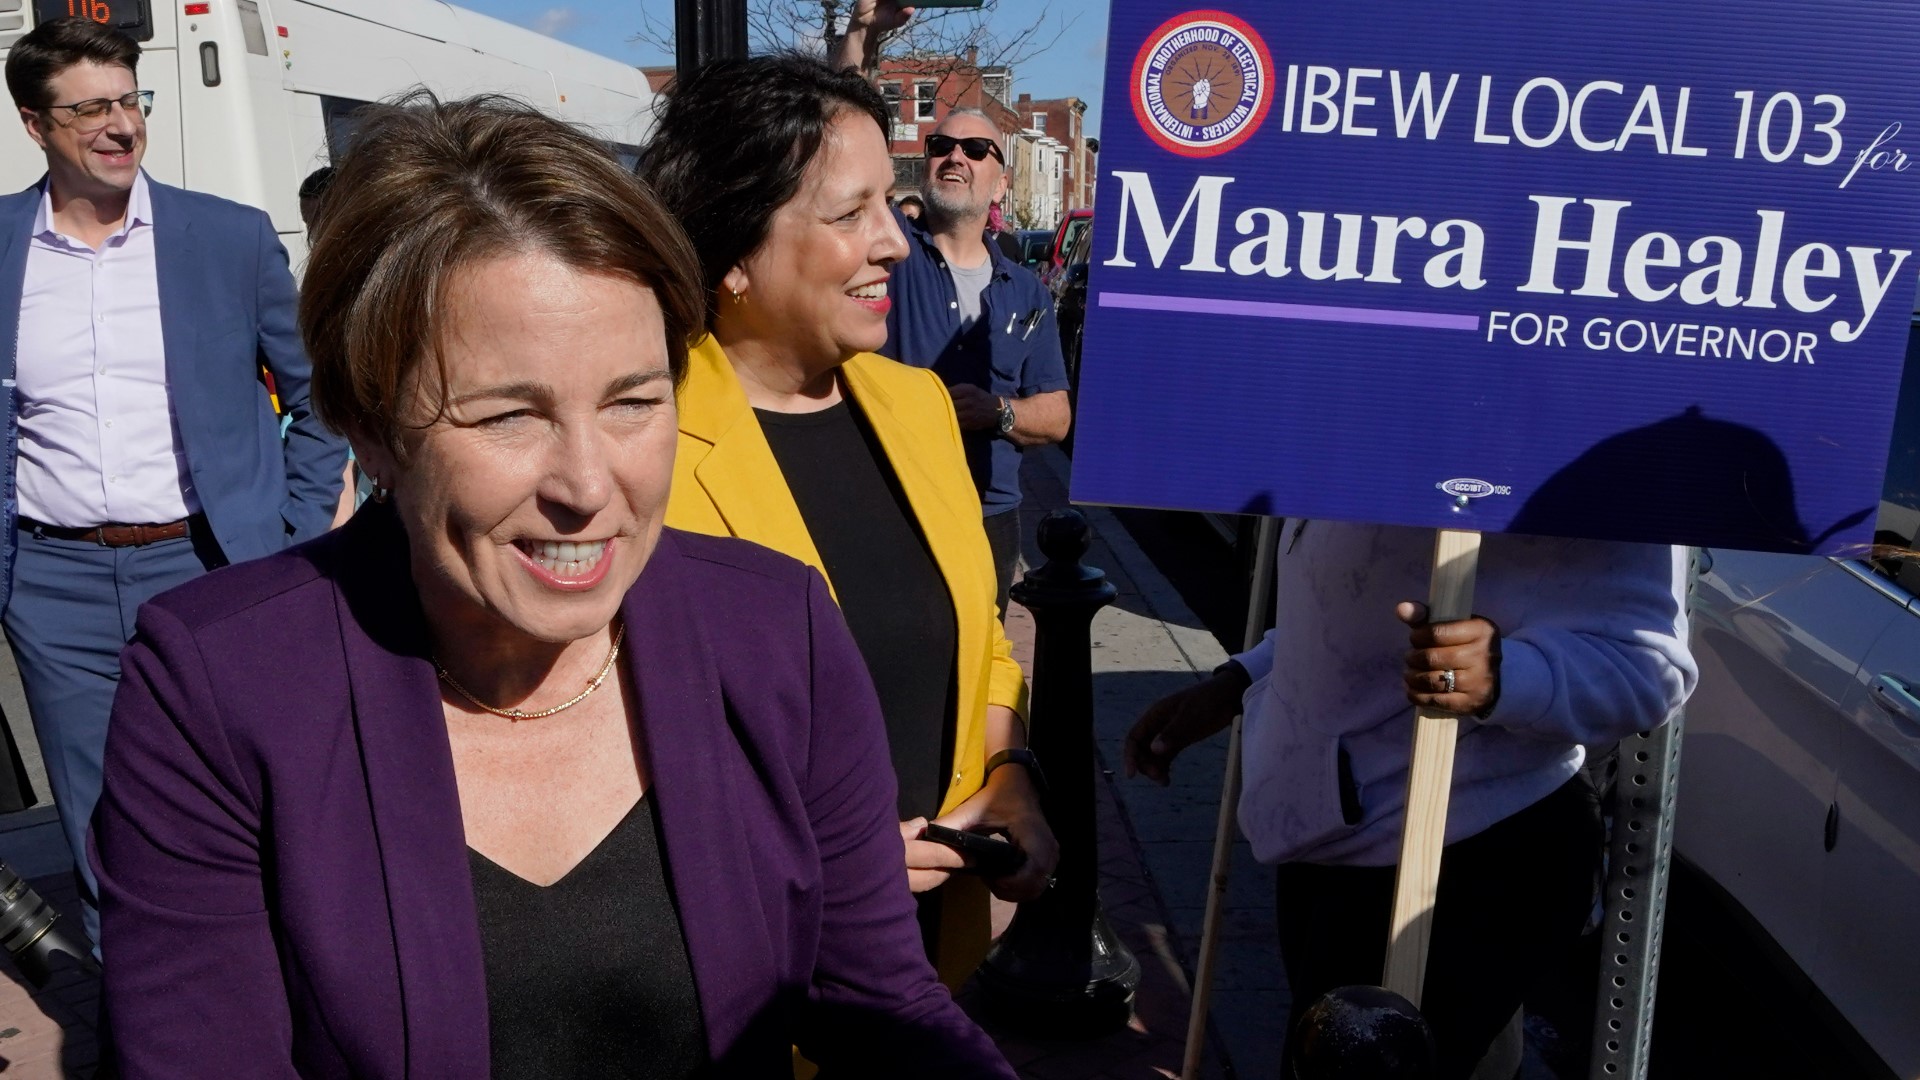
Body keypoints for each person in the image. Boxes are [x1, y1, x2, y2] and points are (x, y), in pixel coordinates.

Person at [91, 93, 1017, 1078]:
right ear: (371, 425)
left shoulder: (776, 628)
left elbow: (879, 1001)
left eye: (632, 402)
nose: (588, 486)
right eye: (509, 416)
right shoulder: (221, 687)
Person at [641, 53, 1058, 988]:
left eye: (888, 205)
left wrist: (1010, 776)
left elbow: (982, 639)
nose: (895, 242)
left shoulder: (917, 406)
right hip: (752, 975)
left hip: (924, 959)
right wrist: (815, 858)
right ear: (734, 251)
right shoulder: (644, 450)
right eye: (850, 213)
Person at [1, 17, 346, 945]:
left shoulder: (226, 237)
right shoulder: (1, 244)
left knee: (250, 791)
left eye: (130, 101)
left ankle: (274, 985)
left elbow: (320, 398)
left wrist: (289, 533)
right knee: (99, 822)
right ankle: (134, 1006)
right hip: (51, 587)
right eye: (90, 110)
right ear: (35, 124)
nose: (121, 125)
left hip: (210, 565)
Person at [1125, 523, 1696, 1078]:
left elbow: (1649, 668)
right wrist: (1240, 680)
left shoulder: (1580, 479)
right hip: (1330, 834)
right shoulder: (1365, 455)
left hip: (1457, 857)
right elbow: (1349, 614)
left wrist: (1505, 676)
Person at [836, 7, 1072, 615]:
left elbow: (1055, 415)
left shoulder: (1026, 290)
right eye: (941, 146)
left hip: (988, 515)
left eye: (975, 148)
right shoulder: (893, 251)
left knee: (979, 650)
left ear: (1001, 182)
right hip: (891, 500)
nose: (954, 157)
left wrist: (999, 412)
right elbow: (840, 137)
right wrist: (861, 35)